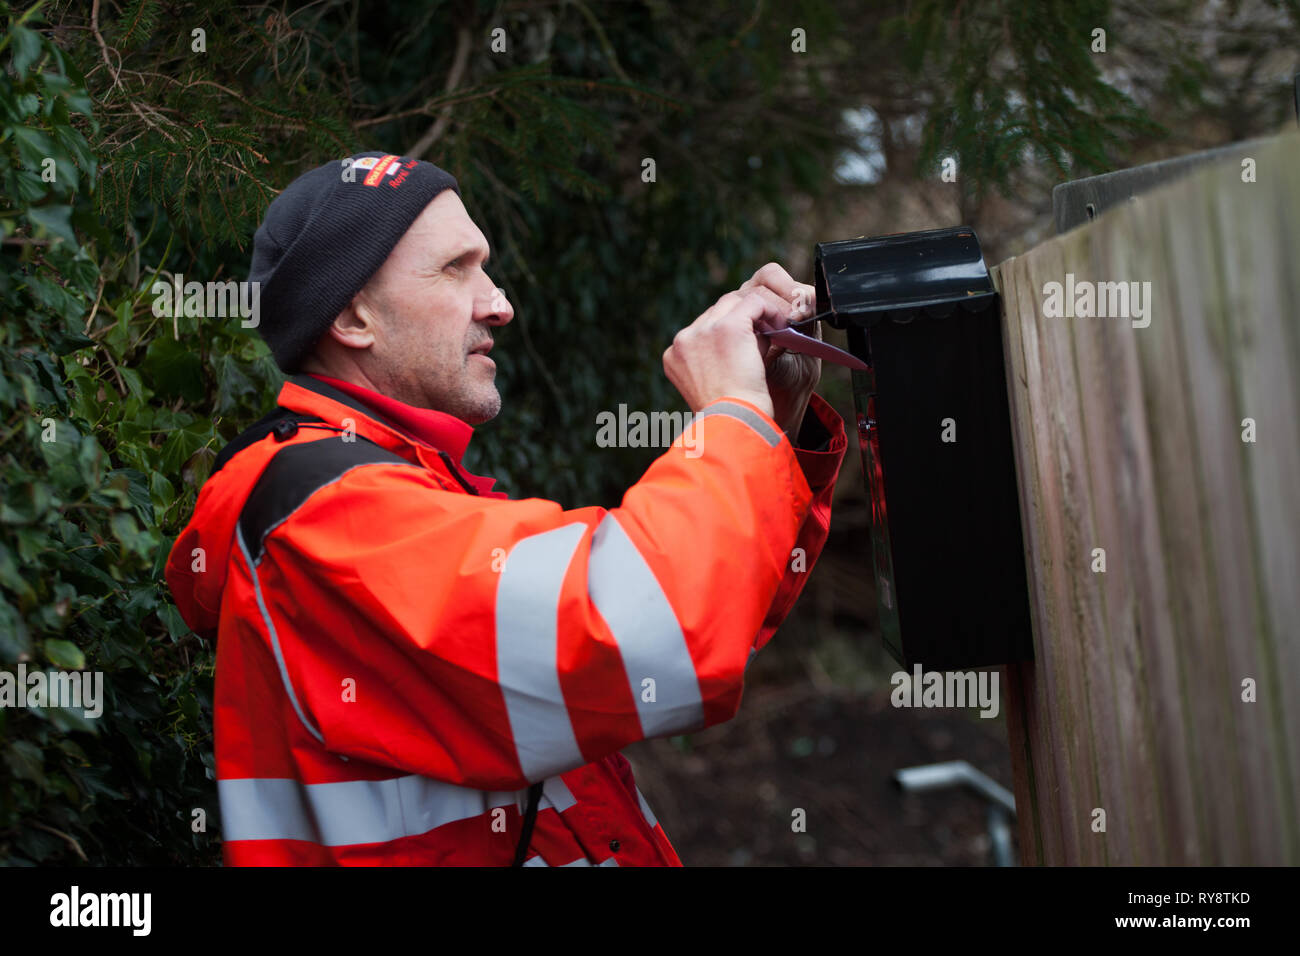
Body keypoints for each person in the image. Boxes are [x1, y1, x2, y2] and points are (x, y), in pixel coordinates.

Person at [165, 151, 847, 866]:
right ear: (353, 316)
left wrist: (775, 425)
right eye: (456, 269)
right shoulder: (327, 517)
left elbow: (711, 619)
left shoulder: (404, 488)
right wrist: (733, 417)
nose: (500, 303)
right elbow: (648, 632)